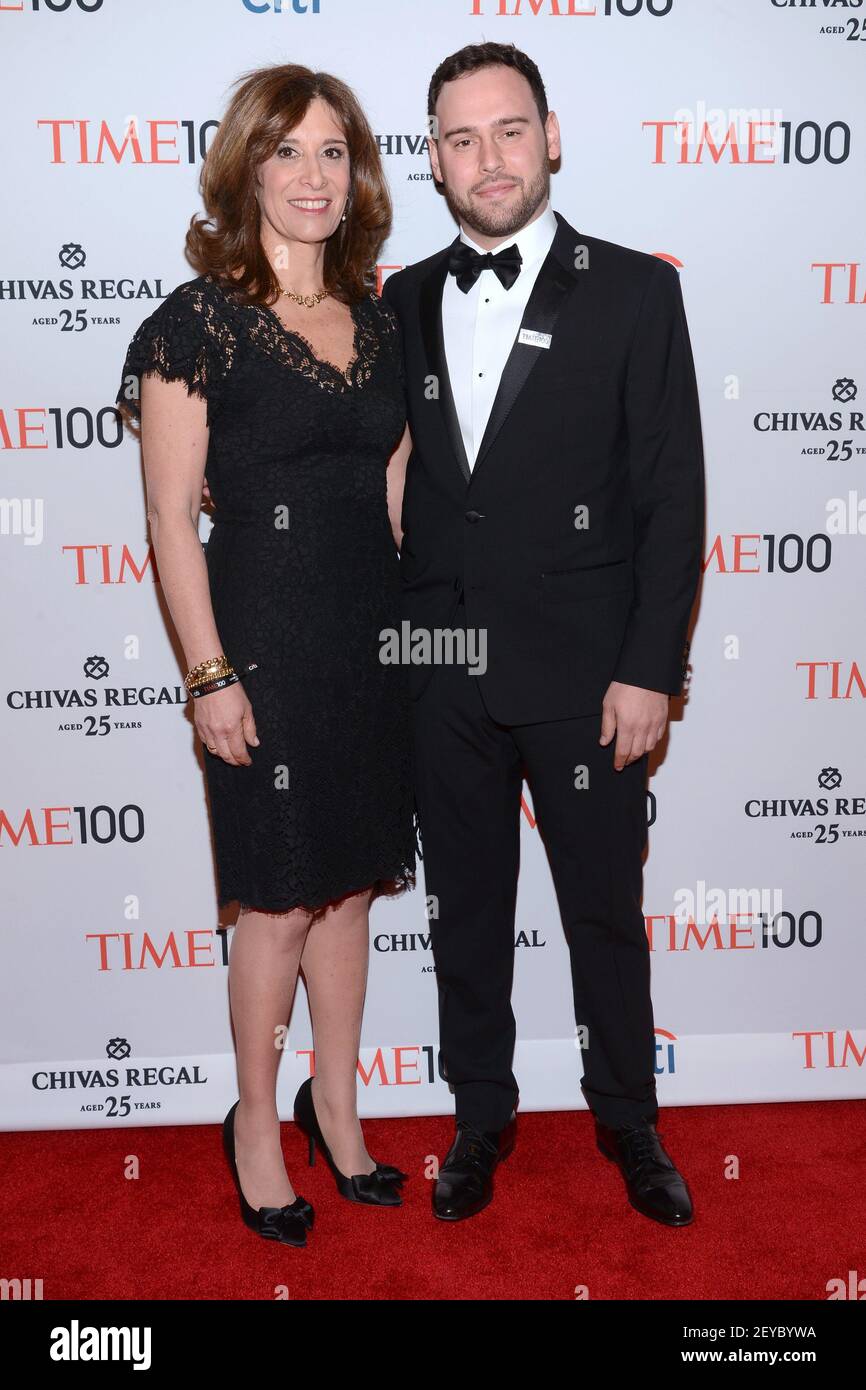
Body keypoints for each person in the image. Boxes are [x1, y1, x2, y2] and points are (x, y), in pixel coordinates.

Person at [382, 42, 705, 1225]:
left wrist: (646, 672)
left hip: (588, 671)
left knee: (601, 914)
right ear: (432, 159)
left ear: (551, 135)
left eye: (507, 130)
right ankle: (480, 1117)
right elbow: (392, 471)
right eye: (459, 139)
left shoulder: (632, 288)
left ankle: (627, 1117)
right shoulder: (404, 298)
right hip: (440, 671)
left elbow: (673, 495)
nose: (487, 158)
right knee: (463, 909)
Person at [116, 63, 416, 1248]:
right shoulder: (197, 320)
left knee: (349, 890)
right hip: (262, 640)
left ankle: (334, 1108)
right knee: (280, 901)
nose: (311, 174)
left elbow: (392, 491)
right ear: (244, 167)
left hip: (368, 642)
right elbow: (165, 518)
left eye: (332, 151)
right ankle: (253, 1121)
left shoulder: (380, 317)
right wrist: (208, 673)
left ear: (357, 176)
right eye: (286, 151)